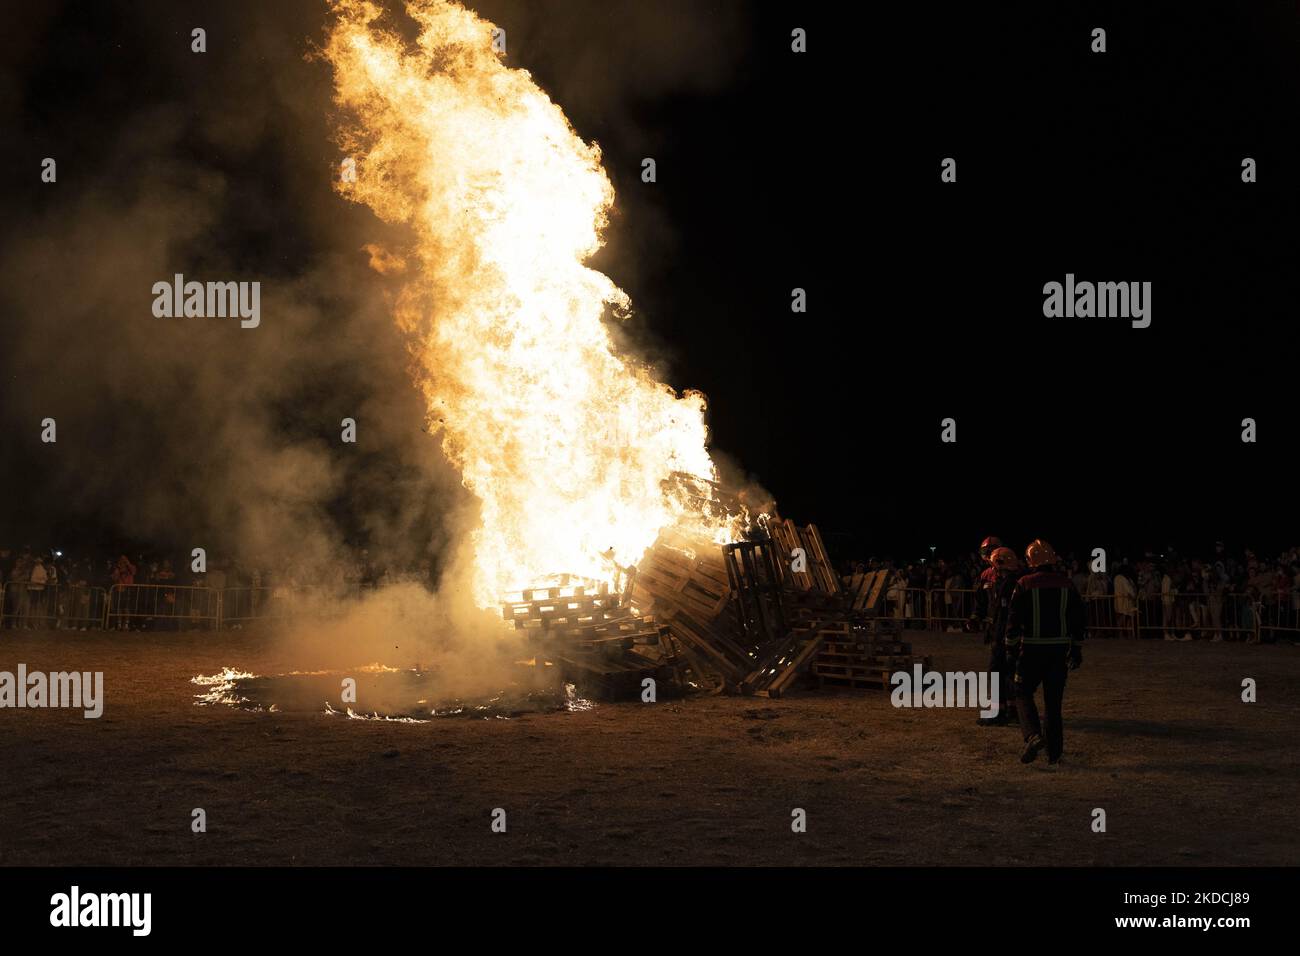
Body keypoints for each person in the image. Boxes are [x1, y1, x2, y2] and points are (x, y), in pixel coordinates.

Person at [1006, 539, 1086, 767]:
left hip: (1030, 650)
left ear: (1031, 561)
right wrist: (1076, 649)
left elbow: (1013, 619)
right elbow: (1078, 620)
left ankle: (1033, 735)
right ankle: (1055, 754)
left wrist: (1011, 648)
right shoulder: (1067, 585)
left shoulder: (1024, 583)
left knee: (1021, 692)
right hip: (1058, 652)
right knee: (1053, 704)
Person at [977, 546, 1024, 727]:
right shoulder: (1019, 581)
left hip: (1003, 635)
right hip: (1014, 635)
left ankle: (999, 711)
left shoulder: (1006, 584)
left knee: (996, 672)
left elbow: (1001, 614)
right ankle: (1012, 709)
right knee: (1010, 673)